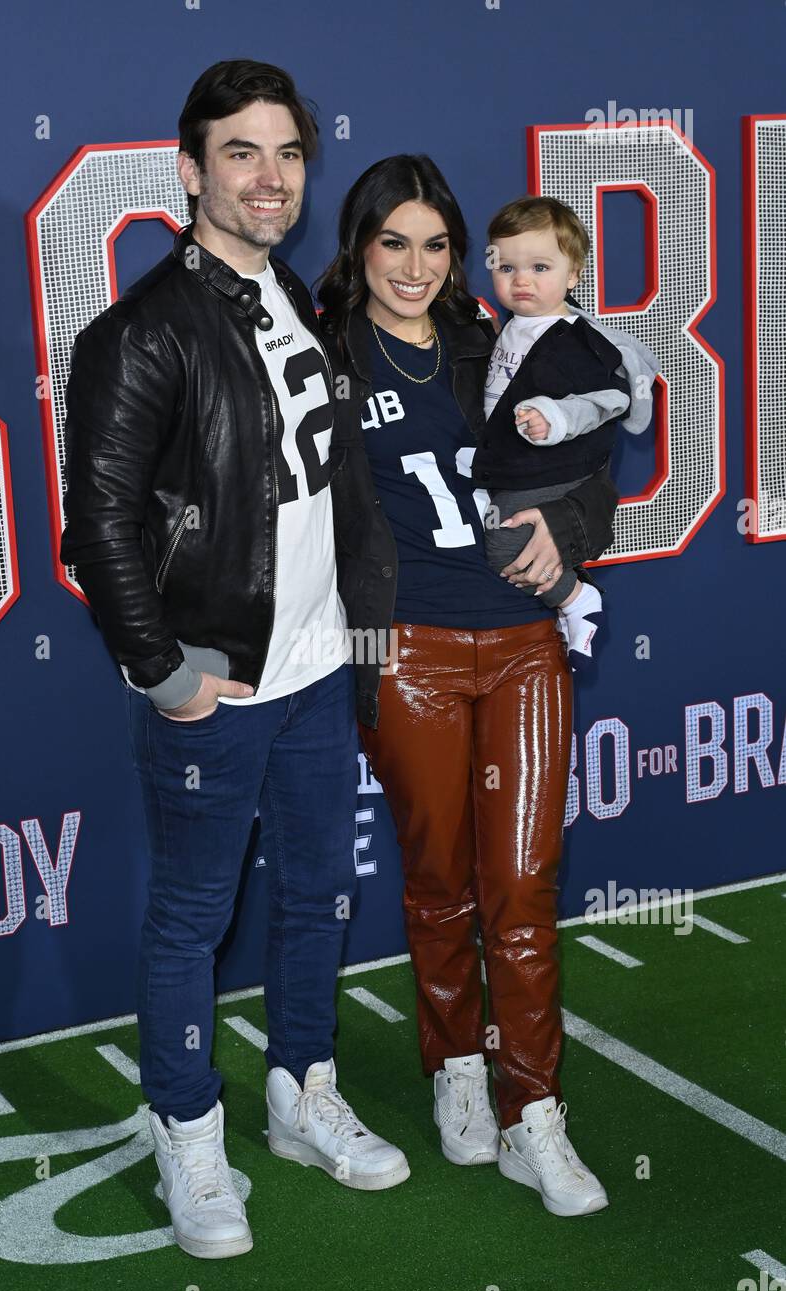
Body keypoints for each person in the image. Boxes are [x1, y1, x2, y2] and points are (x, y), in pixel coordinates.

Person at [59, 59, 409, 1263]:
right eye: (244, 153)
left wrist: (358, 649)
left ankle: (300, 1088)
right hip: (219, 683)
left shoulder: (304, 306)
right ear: (193, 169)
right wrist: (167, 671)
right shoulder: (142, 331)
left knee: (318, 894)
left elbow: (334, 505)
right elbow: (93, 525)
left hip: (319, 672)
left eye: (289, 154)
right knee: (194, 918)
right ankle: (185, 1126)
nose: (271, 178)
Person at [316, 154, 617, 1216]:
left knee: (523, 886)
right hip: (407, 650)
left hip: (525, 639)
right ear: (359, 246)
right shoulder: (322, 356)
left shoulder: (497, 342)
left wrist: (568, 542)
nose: (415, 264)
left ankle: (535, 1109)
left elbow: (594, 463)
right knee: (439, 879)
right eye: (393, 241)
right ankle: (456, 1067)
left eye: (436, 243)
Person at [475, 195, 661, 671]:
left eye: (540, 267)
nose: (521, 280)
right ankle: (562, 595)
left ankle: (576, 599)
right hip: (513, 464)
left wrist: (556, 417)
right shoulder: (510, 327)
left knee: (502, 544)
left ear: (573, 274)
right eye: (505, 266)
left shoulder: (575, 338)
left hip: (552, 469)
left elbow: (612, 399)